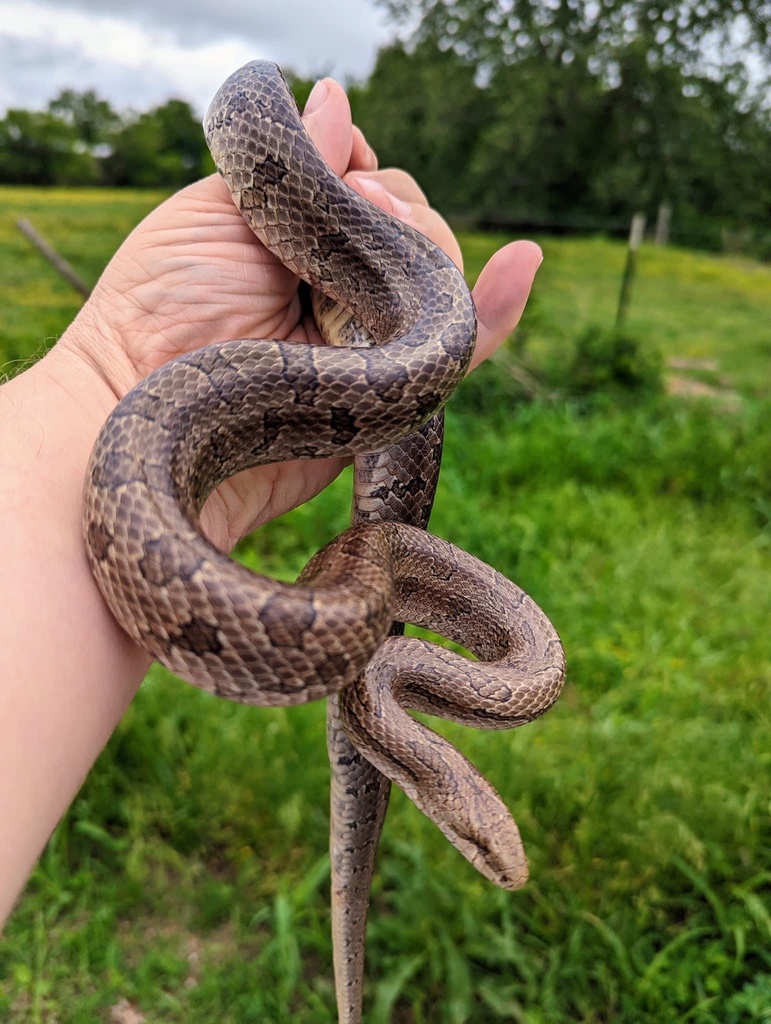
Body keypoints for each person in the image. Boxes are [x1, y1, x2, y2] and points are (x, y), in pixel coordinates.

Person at [0, 76, 542, 925]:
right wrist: (115, 363)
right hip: (218, 410)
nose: (491, 862)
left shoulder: (411, 659)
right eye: (480, 846)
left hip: (210, 429)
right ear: (449, 806)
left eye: (482, 850)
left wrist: (107, 375)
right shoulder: (258, 118)